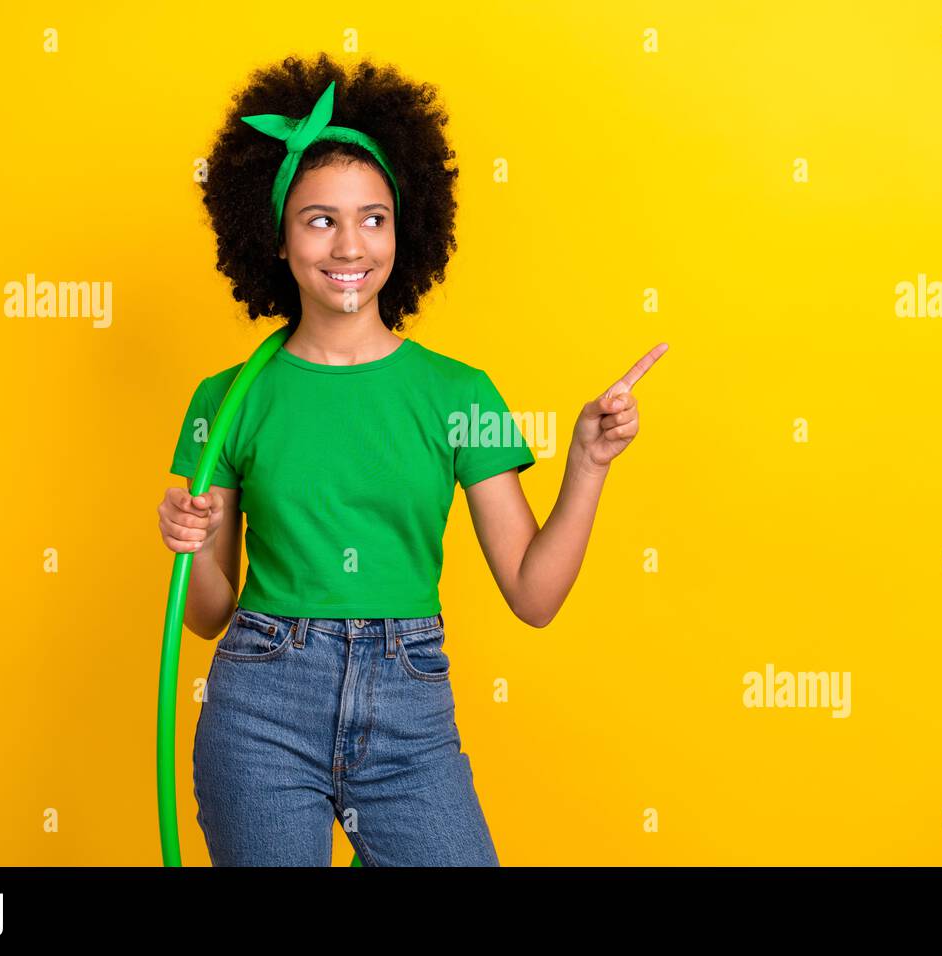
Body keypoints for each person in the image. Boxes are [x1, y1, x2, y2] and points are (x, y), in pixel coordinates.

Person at [158, 53, 666, 866]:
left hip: (409, 708)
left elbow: (534, 596)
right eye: (320, 219)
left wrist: (588, 464)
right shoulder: (228, 400)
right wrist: (186, 542)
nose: (349, 244)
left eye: (374, 217)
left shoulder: (457, 393)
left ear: (405, 227)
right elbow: (209, 610)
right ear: (276, 235)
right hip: (260, 703)